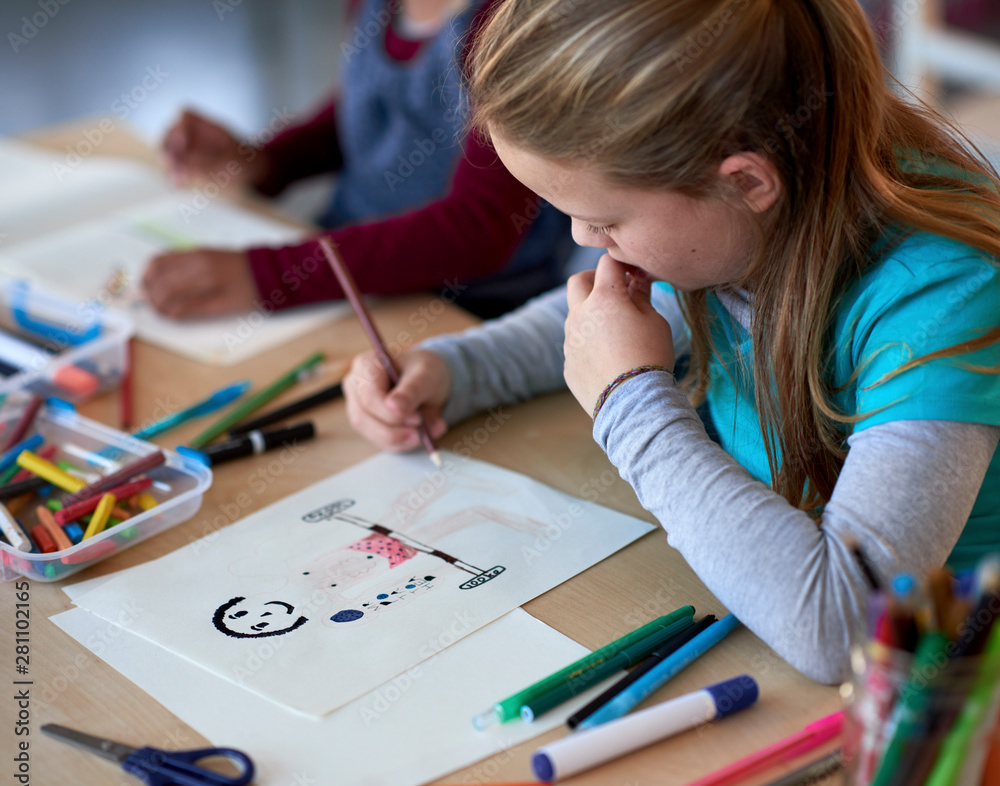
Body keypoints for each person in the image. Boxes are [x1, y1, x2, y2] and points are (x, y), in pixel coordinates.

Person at [340, 0, 1000, 683]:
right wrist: (454, 368)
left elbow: (838, 628)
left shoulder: (942, 301)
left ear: (745, 182)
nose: (582, 242)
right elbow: (612, 318)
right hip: (755, 602)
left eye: (603, 220)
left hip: (935, 690)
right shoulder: (738, 221)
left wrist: (629, 404)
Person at [141, 0, 573, 321]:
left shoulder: (515, 25)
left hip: (467, 302)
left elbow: (479, 227)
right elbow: (362, 114)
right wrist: (262, 161)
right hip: (345, 267)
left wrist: (270, 275)